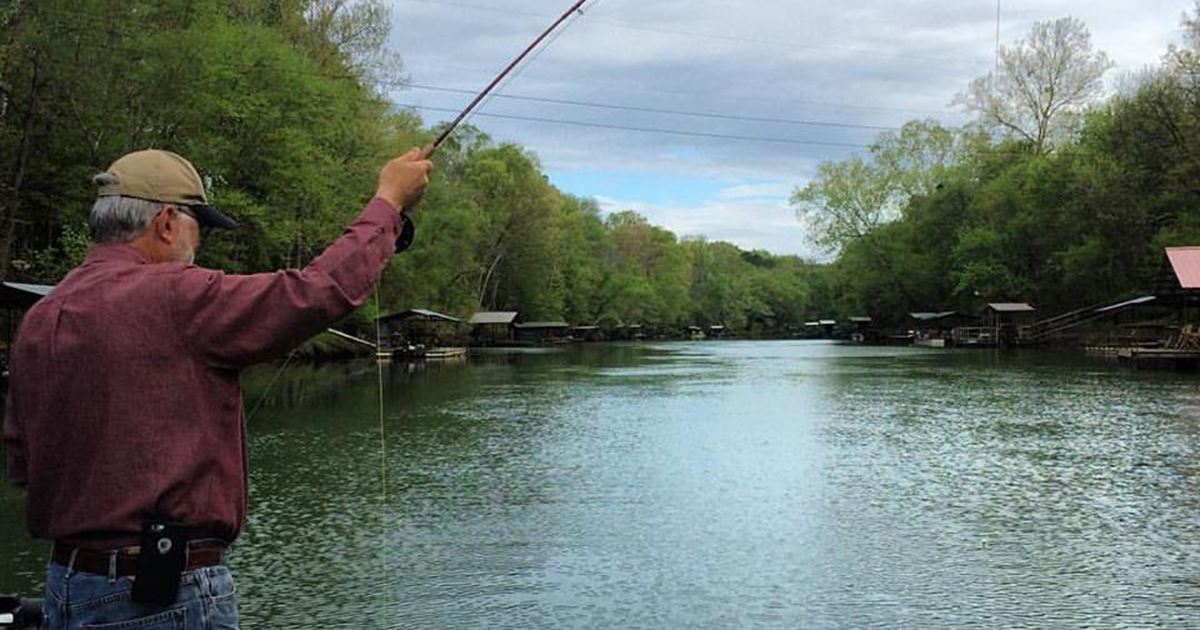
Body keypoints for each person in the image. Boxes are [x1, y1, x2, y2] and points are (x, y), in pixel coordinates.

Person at [2, 147, 433, 629]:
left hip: (66, 588)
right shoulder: (175, 296)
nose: (198, 241)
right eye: (197, 224)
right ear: (166, 222)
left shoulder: (40, 318)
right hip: (159, 598)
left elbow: (23, 465)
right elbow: (313, 292)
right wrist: (388, 203)